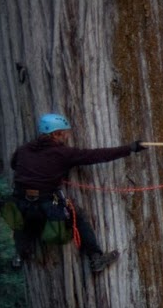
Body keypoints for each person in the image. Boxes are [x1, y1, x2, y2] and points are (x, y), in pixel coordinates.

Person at [9, 113, 145, 273]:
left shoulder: (23, 150)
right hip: (47, 208)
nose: (67, 136)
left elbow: (14, 165)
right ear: (56, 134)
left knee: (25, 219)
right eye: (65, 133)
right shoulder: (63, 154)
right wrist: (130, 148)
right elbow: (97, 156)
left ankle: (19, 255)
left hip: (21, 205)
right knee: (77, 216)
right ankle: (95, 257)